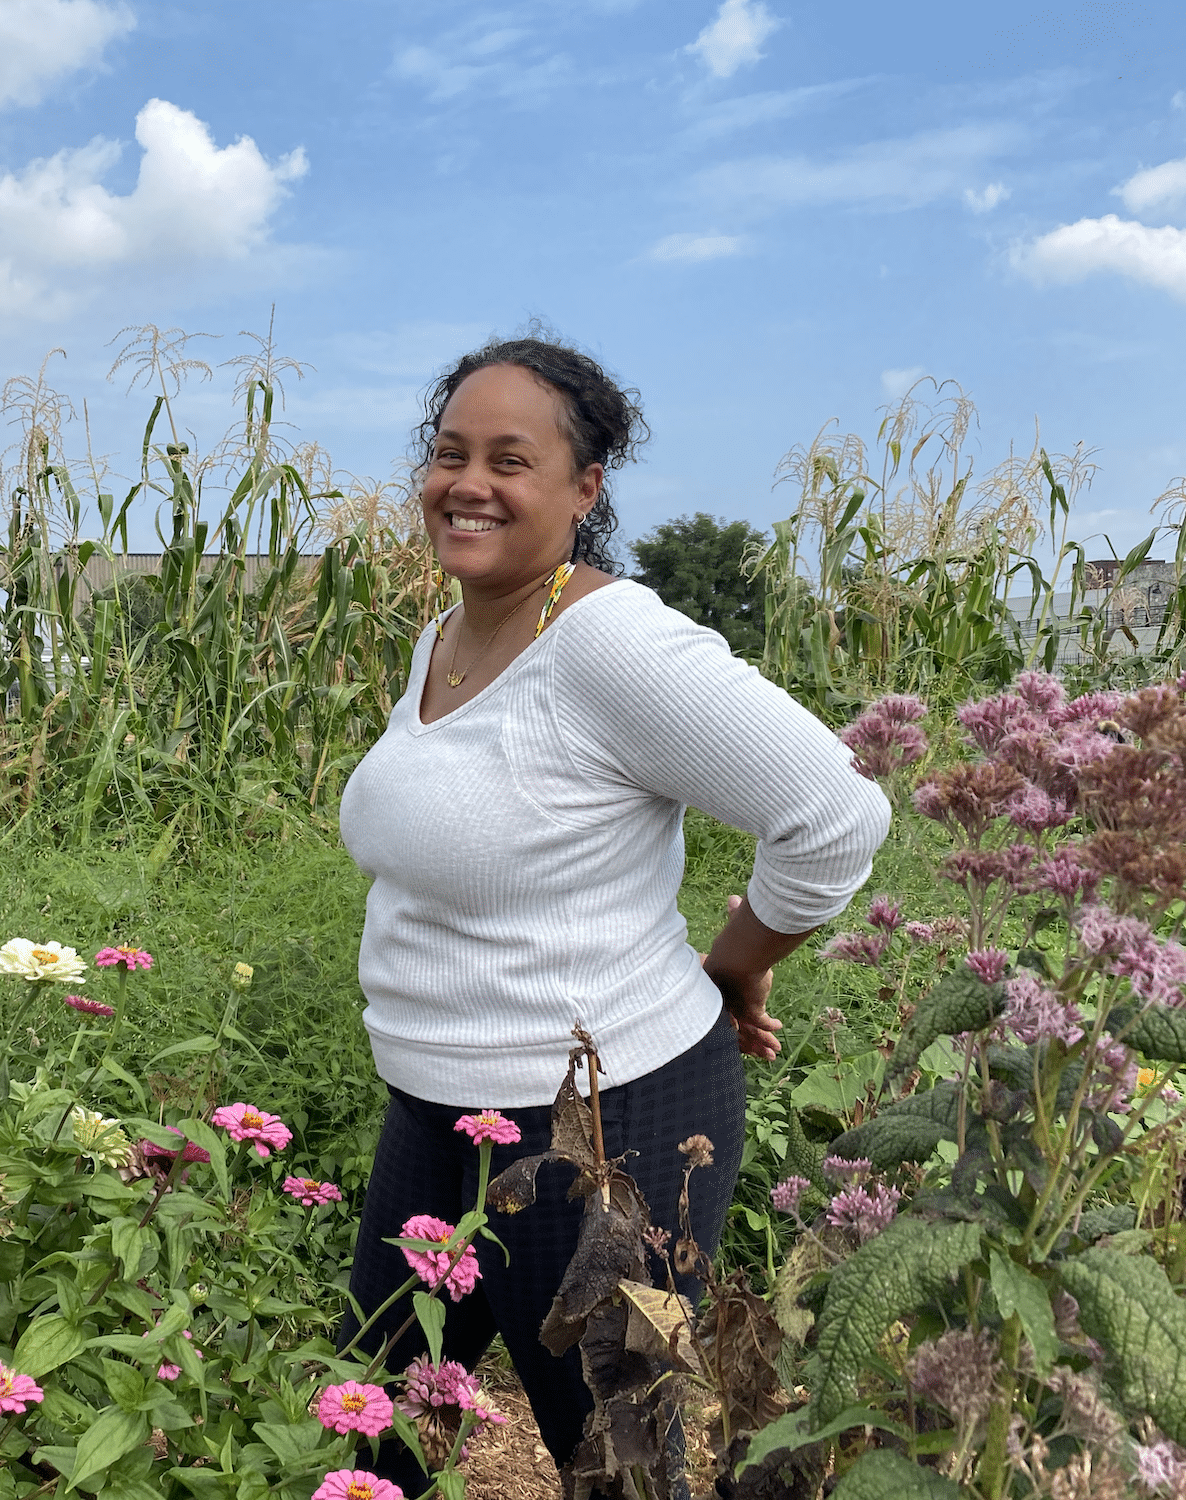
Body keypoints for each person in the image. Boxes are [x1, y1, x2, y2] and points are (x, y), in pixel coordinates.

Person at [335, 333, 891, 1487]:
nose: (465, 484)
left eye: (509, 459)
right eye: (447, 454)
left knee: (614, 1463)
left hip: (600, 1131)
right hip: (435, 1113)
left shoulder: (612, 644)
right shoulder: (446, 633)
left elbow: (833, 814)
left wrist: (734, 961)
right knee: (364, 1435)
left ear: (583, 488)